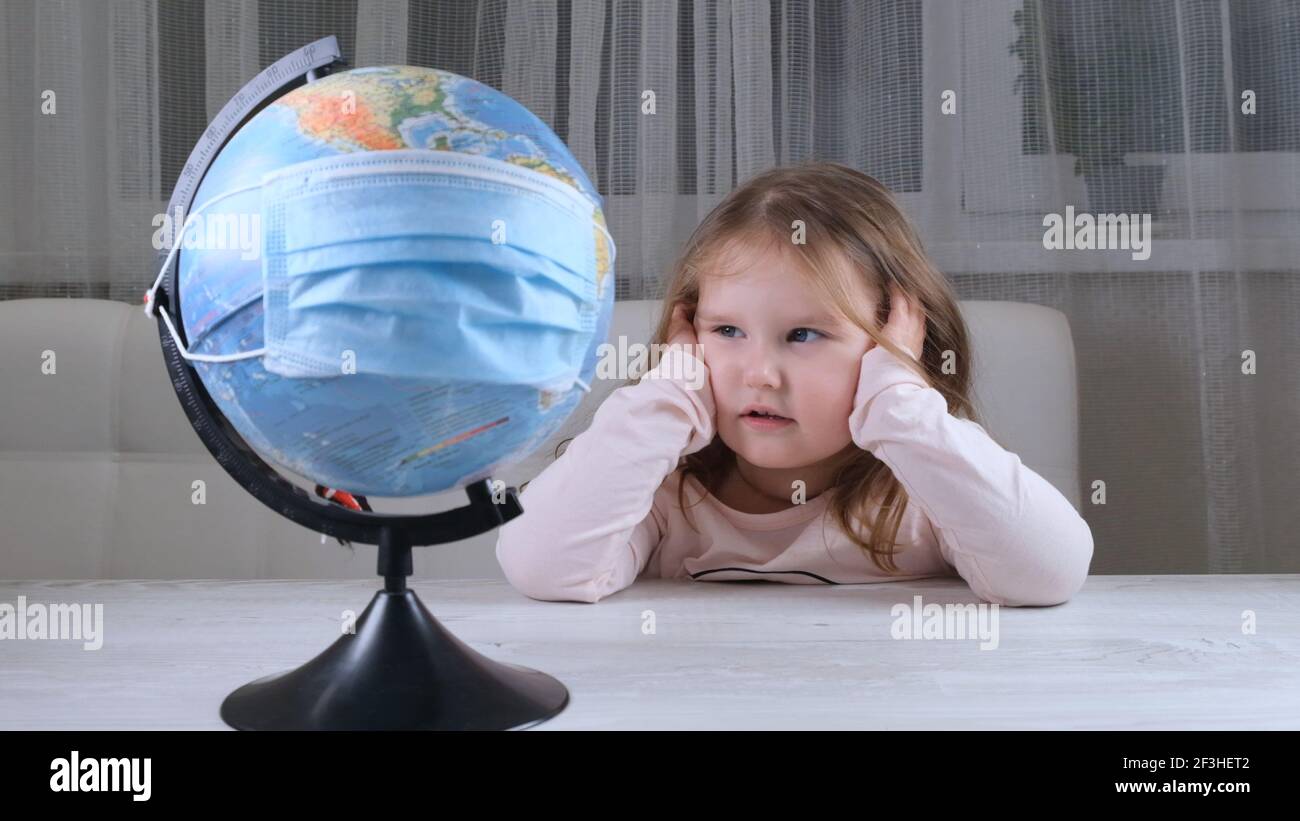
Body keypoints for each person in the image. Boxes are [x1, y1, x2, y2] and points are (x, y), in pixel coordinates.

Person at [495, 161, 1093, 606]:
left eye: (804, 335)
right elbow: (540, 568)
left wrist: (902, 406)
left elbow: (1049, 574)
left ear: (896, 346)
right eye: (727, 330)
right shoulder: (658, 486)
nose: (760, 374)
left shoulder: (925, 485)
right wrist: (666, 397)